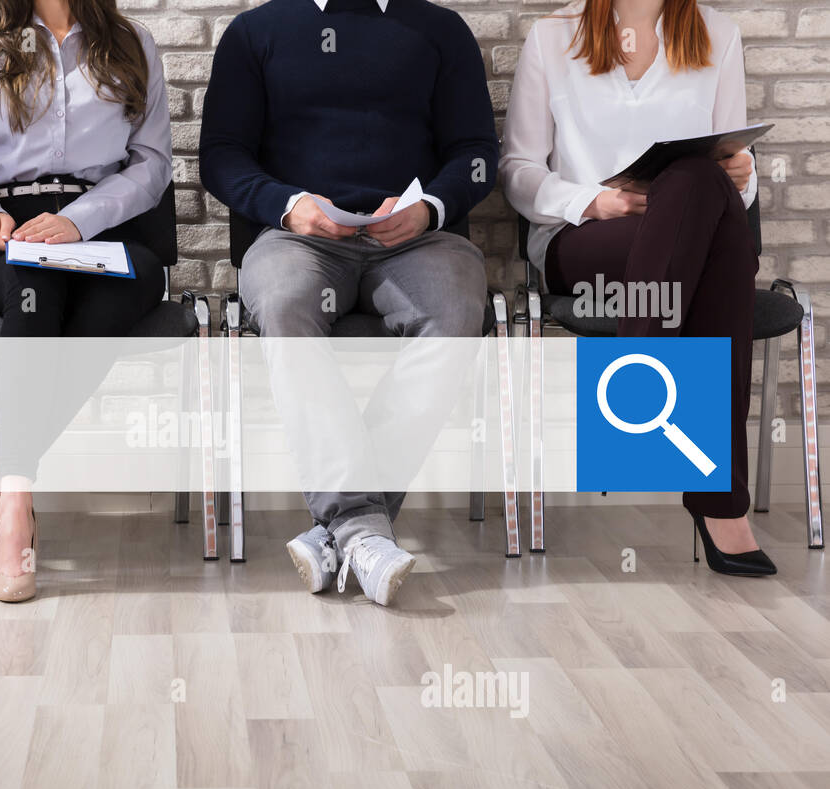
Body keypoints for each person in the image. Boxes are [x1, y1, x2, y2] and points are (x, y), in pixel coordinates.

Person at [199, 0, 499, 607]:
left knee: (458, 309)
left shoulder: (439, 29)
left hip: (416, 240)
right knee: (283, 305)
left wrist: (429, 208)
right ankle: (364, 529)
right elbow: (221, 155)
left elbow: (475, 153)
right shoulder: (256, 31)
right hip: (297, 238)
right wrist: (286, 203)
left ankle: (339, 531)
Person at [500, 0, 775, 576]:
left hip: (697, 238)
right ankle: (720, 506)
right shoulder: (553, 36)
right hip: (584, 239)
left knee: (700, 176)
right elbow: (518, 170)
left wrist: (742, 175)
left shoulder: (717, 36)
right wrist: (593, 200)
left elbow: (732, 174)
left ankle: (633, 394)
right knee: (718, 245)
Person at [0, 0, 172, 602]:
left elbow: (151, 165)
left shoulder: (132, 43)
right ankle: (18, 513)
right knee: (34, 290)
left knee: (119, 295)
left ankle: (2, 482)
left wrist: (79, 221)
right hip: (8, 233)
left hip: (103, 232)